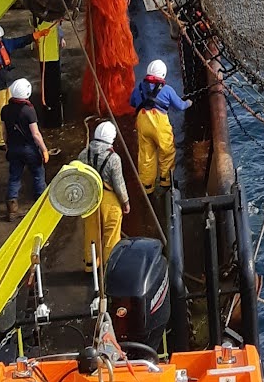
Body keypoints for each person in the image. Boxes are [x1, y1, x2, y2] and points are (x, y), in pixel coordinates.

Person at [130, 57, 189, 200]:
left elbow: (132, 102)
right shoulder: (167, 90)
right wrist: (188, 102)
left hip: (143, 122)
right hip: (160, 125)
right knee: (166, 152)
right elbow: (180, 106)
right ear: (163, 74)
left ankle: (147, 187)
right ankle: (166, 183)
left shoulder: (139, 88)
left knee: (146, 156)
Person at [81, 119, 128, 275]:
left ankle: (90, 265)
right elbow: (119, 184)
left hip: (90, 199)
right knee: (111, 235)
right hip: (108, 199)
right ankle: (109, 267)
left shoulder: (83, 154)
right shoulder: (113, 158)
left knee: (91, 232)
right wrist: (125, 202)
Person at [1, 78, 49, 221]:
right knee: (38, 174)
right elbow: (36, 134)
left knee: (14, 177)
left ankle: (12, 209)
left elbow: (4, 132)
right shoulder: (29, 111)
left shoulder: (5, 110)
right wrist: (44, 150)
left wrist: (7, 146)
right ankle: (41, 205)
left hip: (14, 148)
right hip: (29, 149)